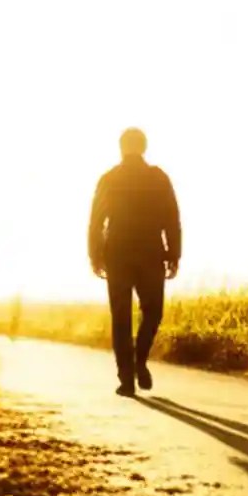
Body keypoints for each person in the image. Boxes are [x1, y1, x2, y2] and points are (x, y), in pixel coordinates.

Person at [88, 127, 181, 396]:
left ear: (121, 148)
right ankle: (140, 361)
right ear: (144, 147)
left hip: (117, 253)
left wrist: (95, 254)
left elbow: (96, 221)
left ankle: (127, 379)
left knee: (120, 316)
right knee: (153, 312)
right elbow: (172, 218)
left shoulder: (109, 178)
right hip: (150, 252)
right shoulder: (158, 177)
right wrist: (173, 253)